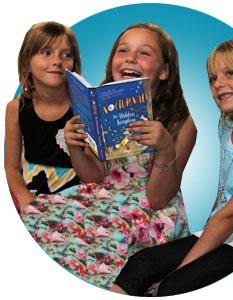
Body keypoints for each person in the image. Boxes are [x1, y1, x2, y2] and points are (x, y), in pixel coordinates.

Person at [111, 37, 233, 296]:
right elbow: (223, 196)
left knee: (173, 286)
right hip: (219, 228)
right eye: (212, 78)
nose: (218, 83)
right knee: (141, 263)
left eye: (230, 73)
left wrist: (177, 271)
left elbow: (231, 215)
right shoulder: (228, 125)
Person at [20, 23, 197, 289]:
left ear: (164, 71)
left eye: (144, 53)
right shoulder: (99, 109)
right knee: (37, 222)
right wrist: (75, 146)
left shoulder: (182, 123)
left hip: (149, 211)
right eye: (122, 50)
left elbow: (159, 198)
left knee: (103, 247)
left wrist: (165, 148)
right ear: (111, 61)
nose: (130, 58)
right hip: (103, 196)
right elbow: (93, 177)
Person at [5, 21, 82, 213]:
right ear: (26, 62)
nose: (57, 61)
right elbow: (11, 167)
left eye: (66, 55)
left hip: (79, 189)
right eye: (47, 53)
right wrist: (23, 195)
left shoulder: (85, 107)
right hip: (34, 187)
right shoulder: (16, 108)